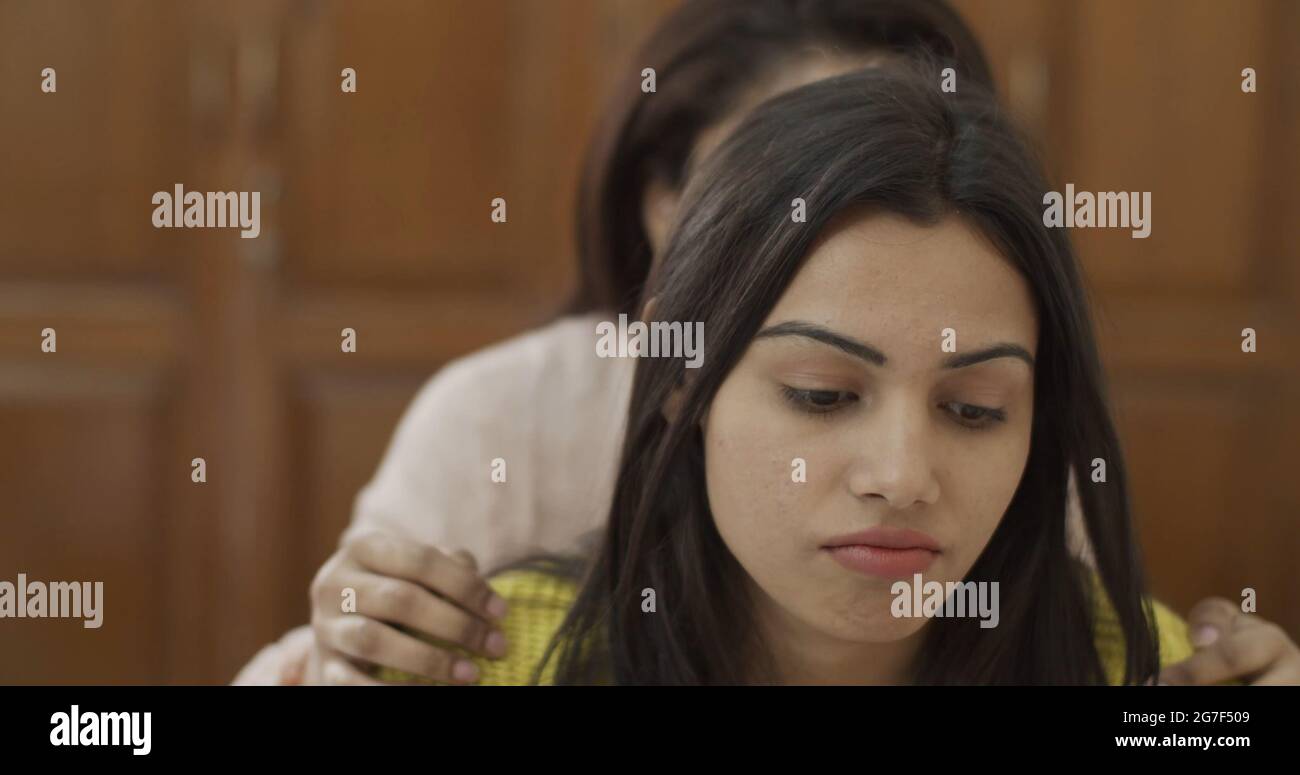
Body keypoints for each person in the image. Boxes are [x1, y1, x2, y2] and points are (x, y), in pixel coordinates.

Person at [385, 63, 1300, 684]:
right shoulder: (483, 662)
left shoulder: (1158, 681)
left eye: (975, 409)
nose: (901, 475)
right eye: (822, 394)